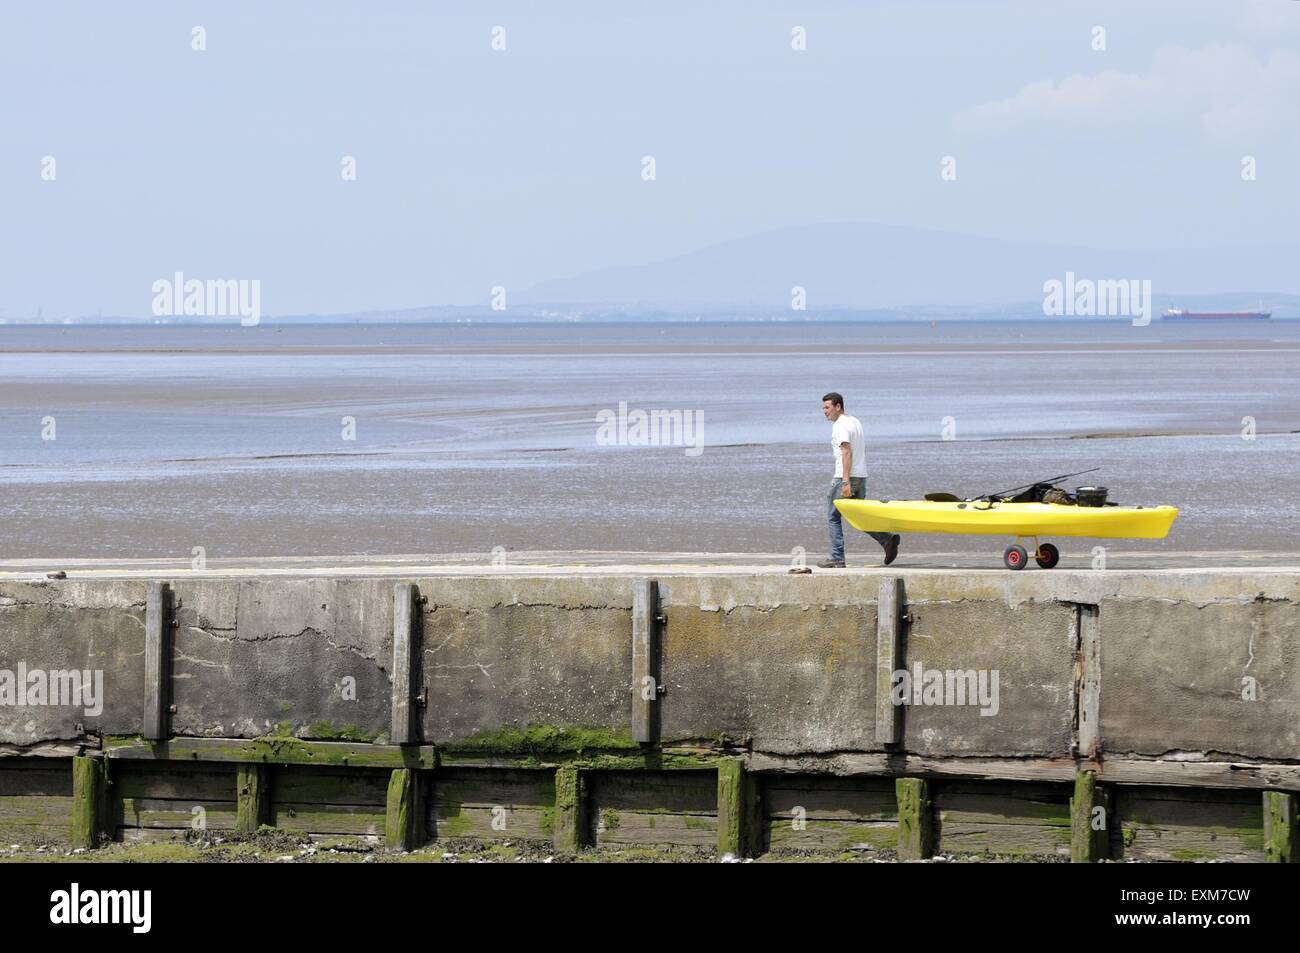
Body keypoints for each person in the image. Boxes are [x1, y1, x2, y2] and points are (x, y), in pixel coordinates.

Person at [819, 392, 899, 568]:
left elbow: (846, 452)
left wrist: (846, 481)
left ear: (838, 406)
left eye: (827, 407)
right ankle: (887, 540)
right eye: (823, 408)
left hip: (844, 477)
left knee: (833, 516)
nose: (824, 412)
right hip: (861, 476)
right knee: (857, 515)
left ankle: (837, 557)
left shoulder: (840, 426)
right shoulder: (855, 421)